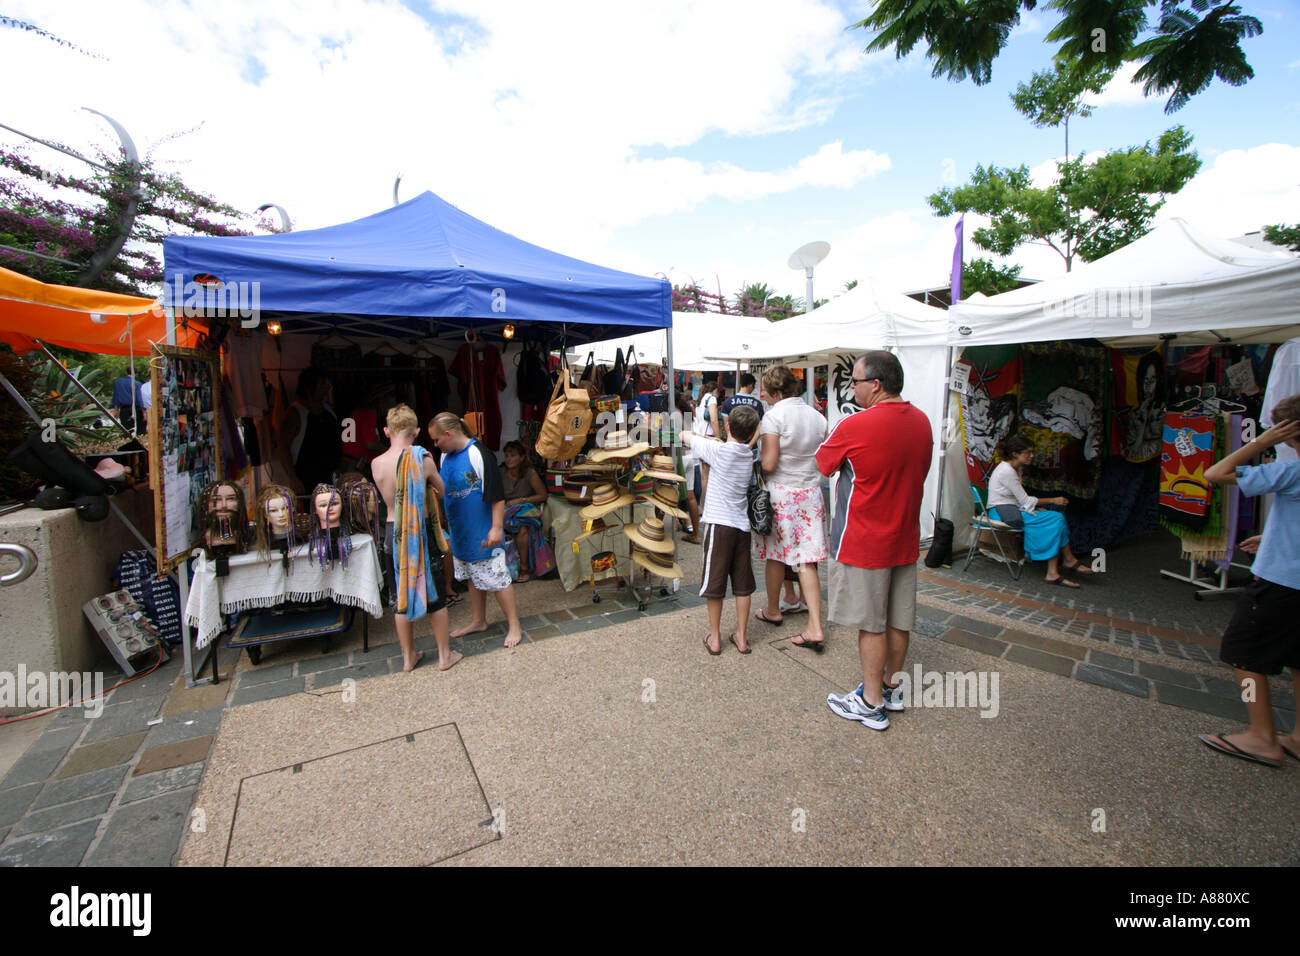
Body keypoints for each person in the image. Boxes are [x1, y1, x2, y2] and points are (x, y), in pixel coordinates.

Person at [817, 351, 932, 731]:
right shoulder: (923, 422)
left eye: (857, 381)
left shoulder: (855, 425)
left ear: (876, 385)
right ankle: (891, 687)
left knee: (871, 623)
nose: (853, 387)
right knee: (899, 618)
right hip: (904, 537)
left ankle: (870, 702)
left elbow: (823, 464)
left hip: (864, 538)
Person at [1197, 397, 1300, 767]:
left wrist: (1258, 442)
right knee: (1297, 657)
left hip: (1281, 581)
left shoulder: (1291, 471)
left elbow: (1215, 474)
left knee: (1243, 653)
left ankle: (1261, 736)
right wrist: (1271, 536)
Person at [371, 404, 461, 673]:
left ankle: (408, 657)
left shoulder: (376, 464)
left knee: (399, 597)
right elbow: (442, 492)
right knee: (435, 598)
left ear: (386, 430)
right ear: (417, 431)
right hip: (419, 533)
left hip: (391, 533)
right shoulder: (422, 460)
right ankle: (444, 656)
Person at [429, 412, 524, 648]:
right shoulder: (444, 456)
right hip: (461, 530)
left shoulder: (478, 453)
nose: (435, 444)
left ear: (449, 434)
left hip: (482, 529)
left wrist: (496, 527)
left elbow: (496, 494)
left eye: (436, 439)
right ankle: (478, 620)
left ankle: (514, 624)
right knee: (473, 575)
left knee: (497, 577)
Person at [751, 365, 829, 648]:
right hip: (810, 493)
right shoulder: (817, 417)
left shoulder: (774, 417)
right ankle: (815, 625)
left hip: (782, 494)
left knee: (775, 555)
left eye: (767, 391)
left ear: (775, 392)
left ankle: (773, 609)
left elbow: (769, 464)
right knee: (807, 559)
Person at [683, 405, 761, 655]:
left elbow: (686, 436)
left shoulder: (718, 451)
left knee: (715, 584)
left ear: (727, 426)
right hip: (742, 527)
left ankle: (715, 638)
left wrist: (706, 438)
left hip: (719, 525)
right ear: (751, 433)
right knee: (742, 584)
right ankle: (742, 636)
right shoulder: (748, 455)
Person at [986, 435, 1093, 588]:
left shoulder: (1015, 469)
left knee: (1057, 519)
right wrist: (1053, 500)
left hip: (1009, 509)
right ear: (1016, 453)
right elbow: (1025, 501)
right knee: (1056, 518)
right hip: (1001, 513)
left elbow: (1017, 500)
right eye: (1028, 452)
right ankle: (1065, 563)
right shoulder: (1007, 471)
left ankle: (1057, 569)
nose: (1032, 456)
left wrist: (1035, 508)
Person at [280, 366, 342, 496]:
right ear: (309, 387)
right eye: (322, 384)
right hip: (305, 480)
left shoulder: (329, 410)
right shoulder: (295, 413)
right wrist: (293, 478)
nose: (327, 387)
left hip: (329, 478)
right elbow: (283, 448)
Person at [500, 440, 552, 582]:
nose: (508, 459)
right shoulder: (501, 473)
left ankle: (524, 568)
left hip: (525, 509)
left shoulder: (530, 474)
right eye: (507, 456)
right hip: (507, 511)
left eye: (513, 455)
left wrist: (521, 501)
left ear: (522, 458)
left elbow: (542, 495)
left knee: (523, 528)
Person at [672, 390, 702, 543]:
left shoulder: (670, 414)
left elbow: (666, 442)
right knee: (690, 497)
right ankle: (696, 534)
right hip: (690, 457)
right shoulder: (687, 413)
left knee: (668, 495)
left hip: (678, 458)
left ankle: (666, 535)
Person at [720, 373, 764, 438]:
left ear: (741, 384)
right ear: (751, 385)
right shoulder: (757, 404)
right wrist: (751, 444)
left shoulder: (728, 402)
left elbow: (726, 424)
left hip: (733, 443)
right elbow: (760, 427)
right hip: (751, 446)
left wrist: (732, 440)